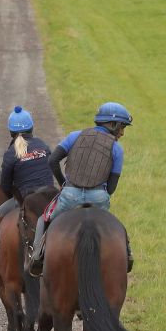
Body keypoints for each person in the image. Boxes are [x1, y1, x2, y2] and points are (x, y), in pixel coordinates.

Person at [28, 101, 133, 277]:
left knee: (43, 220)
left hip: (69, 195)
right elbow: (112, 187)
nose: (122, 133)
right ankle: (127, 255)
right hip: (99, 198)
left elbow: (52, 161)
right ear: (112, 124)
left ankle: (37, 257)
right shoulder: (117, 149)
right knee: (117, 228)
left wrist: (63, 183)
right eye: (122, 127)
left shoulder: (74, 136)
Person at [0, 105, 54, 257]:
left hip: (27, 199)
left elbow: (6, 188)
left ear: (11, 132)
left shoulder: (10, 154)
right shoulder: (43, 145)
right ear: (32, 128)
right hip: (50, 197)